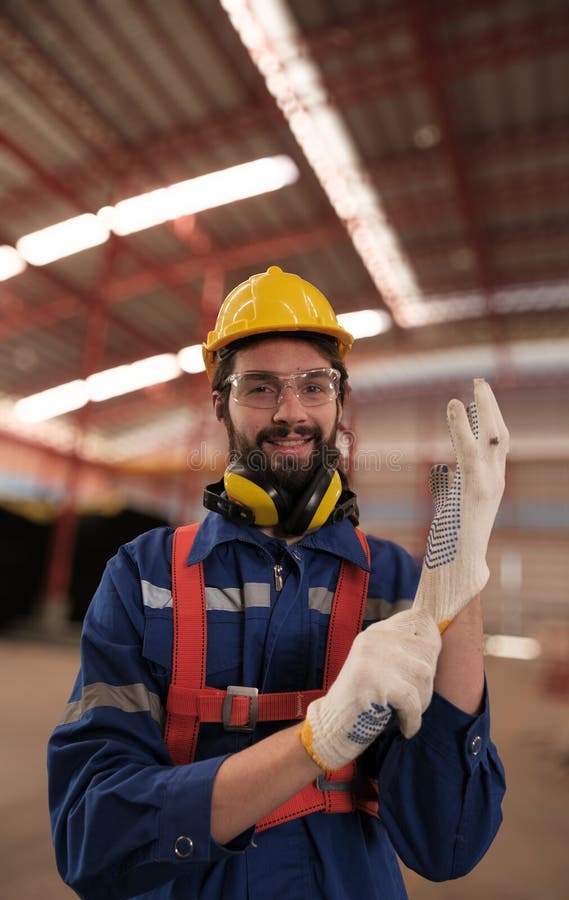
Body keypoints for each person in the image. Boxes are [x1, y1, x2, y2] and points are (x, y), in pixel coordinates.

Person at [48, 265, 508, 900]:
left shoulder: (397, 583)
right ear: (221, 403)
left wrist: (464, 592)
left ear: (340, 400)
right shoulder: (147, 577)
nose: (291, 412)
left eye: (314, 386)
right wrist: (316, 742)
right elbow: (91, 837)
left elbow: (447, 843)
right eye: (260, 387)